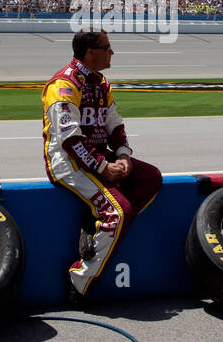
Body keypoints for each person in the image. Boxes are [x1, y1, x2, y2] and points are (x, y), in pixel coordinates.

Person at [42, 30, 162, 299]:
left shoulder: (101, 83)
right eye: (107, 47)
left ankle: (95, 220)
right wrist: (102, 167)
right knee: (118, 212)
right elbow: (69, 139)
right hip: (66, 161)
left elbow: (114, 123)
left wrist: (122, 156)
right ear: (90, 53)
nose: (112, 52)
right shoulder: (64, 84)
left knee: (151, 177)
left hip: (96, 155)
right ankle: (79, 280)